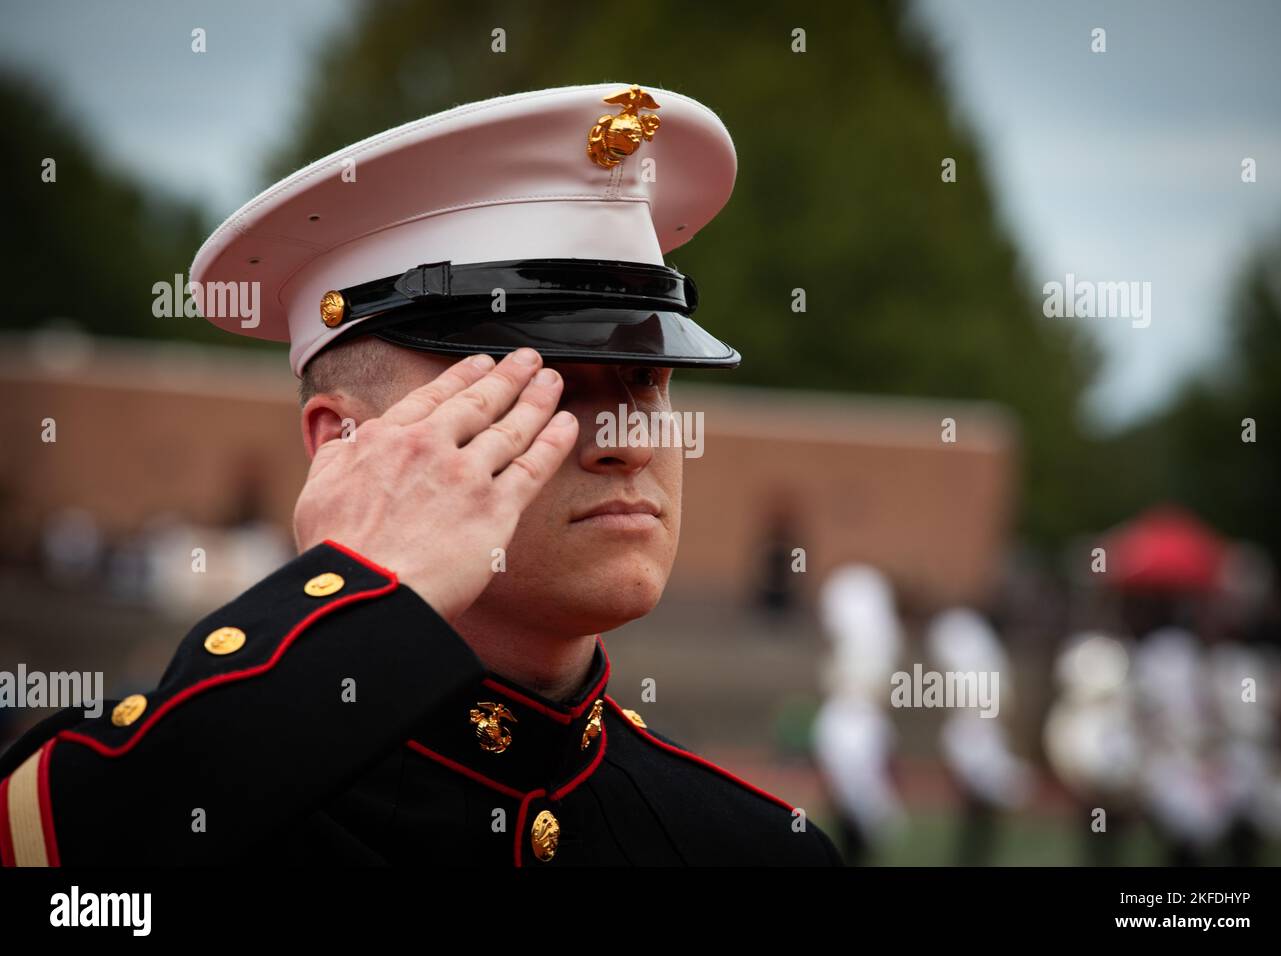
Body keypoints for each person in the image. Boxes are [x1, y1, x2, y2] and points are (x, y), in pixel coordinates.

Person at [0, 83, 842, 866]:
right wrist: (354, 590)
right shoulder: (177, 815)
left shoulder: (757, 850)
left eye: (646, 379)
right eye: (533, 383)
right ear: (342, 444)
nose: (624, 438)